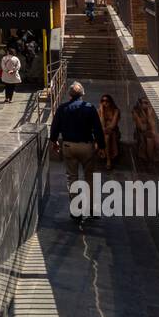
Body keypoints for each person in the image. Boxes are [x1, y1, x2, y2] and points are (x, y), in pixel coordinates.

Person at [48, 81, 105, 218]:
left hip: (68, 146)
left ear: (69, 95)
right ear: (83, 94)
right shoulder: (90, 108)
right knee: (90, 178)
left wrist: (54, 141)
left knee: (72, 177)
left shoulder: (62, 108)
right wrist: (101, 146)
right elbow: (97, 128)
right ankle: (92, 208)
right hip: (86, 146)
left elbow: (55, 127)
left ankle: (76, 210)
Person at [132, 96, 159, 164]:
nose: (147, 104)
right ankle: (150, 159)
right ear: (140, 104)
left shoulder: (150, 110)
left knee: (153, 136)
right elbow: (142, 127)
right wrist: (148, 117)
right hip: (140, 132)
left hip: (149, 131)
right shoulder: (135, 112)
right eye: (145, 102)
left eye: (147, 103)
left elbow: (153, 125)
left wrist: (149, 116)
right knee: (150, 138)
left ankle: (152, 157)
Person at [98, 93, 121, 172]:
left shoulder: (116, 111)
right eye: (103, 101)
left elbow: (113, 125)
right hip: (104, 131)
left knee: (107, 136)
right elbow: (101, 124)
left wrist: (105, 129)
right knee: (106, 137)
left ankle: (108, 159)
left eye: (107, 101)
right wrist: (101, 112)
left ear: (111, 101)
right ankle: (108, 160)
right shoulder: (101, 110)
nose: (105, 102)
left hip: (113, 131)